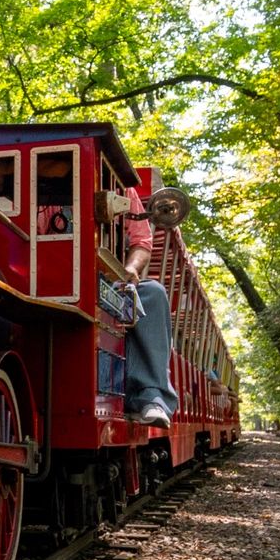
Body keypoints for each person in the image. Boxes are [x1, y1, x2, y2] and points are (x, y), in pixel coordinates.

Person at [122, 182, 176, 426]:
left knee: (152, 293)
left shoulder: (124, 189)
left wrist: (131, 268)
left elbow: (142, 241)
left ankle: (150, 397)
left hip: (110, 284)